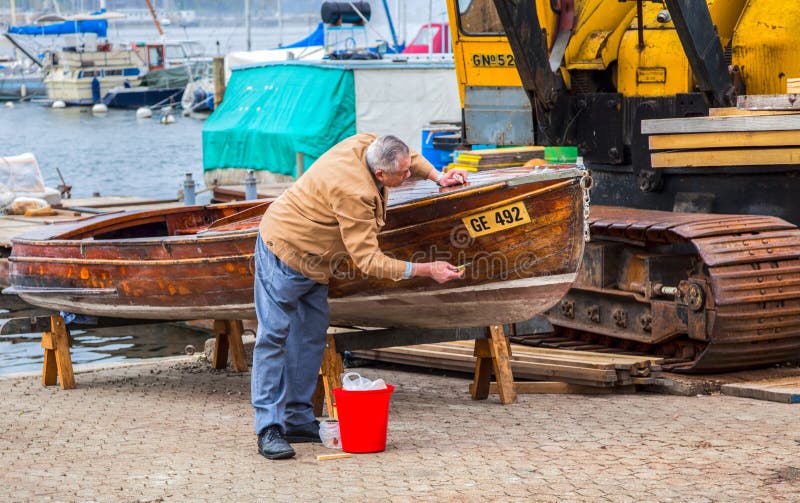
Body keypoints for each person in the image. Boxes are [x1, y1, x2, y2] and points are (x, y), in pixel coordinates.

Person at [251, 133, 469, 460]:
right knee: (273, 336)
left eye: (409, 170)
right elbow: (368, 260)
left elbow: (406, 154)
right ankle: (268, 427)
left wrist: (439, 176)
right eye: (402, 175)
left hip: (317, 259)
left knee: (310, 336)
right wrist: (428, 270)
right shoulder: (354, 193)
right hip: (282, 252)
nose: (408, 176)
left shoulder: (371, 144)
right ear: (380, 175)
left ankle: (297, 419)